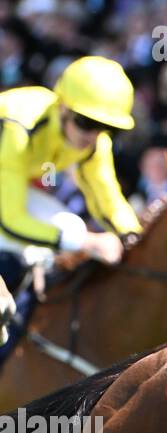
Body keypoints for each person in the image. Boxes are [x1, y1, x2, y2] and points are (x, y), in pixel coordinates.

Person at [0, 55, 141, 290]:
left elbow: (108, 200)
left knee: (71, 227)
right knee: (65, 238)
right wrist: (89, 242)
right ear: (63, 106)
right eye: (86, 122)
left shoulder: (96, 142)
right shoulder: (20, 129)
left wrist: (135, 238)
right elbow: (10, 220)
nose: (94, 135)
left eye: (108, 128)